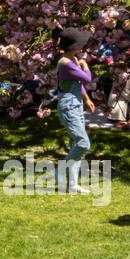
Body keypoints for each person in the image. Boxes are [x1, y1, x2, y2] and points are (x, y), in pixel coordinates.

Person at [54, 27, 95, 195]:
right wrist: (85, 65)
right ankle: (60, 171)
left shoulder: (70, 62)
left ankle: (72, 184)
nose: (82, 49)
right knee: (83, 143)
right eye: (80, 46)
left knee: (75, 144)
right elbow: (87, 79)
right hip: (69, 106)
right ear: (73, 47)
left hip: (76, 104)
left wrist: (87, 99)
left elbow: (77, 84)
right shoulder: (66, 63)